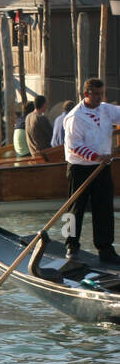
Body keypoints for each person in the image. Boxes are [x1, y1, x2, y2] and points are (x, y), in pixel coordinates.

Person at [61, 78, 120, 263]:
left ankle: (105, 249)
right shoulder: (75, 117)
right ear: (86, 94)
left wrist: (101, 159)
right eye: (95, 94)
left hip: (102, 167)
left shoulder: (106, 109)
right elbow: (74, 146)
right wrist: (96, 157)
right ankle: (70, 245)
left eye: (101, 94)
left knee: (104, 208)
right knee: (73, 209)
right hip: (79, 168)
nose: (99, 97)